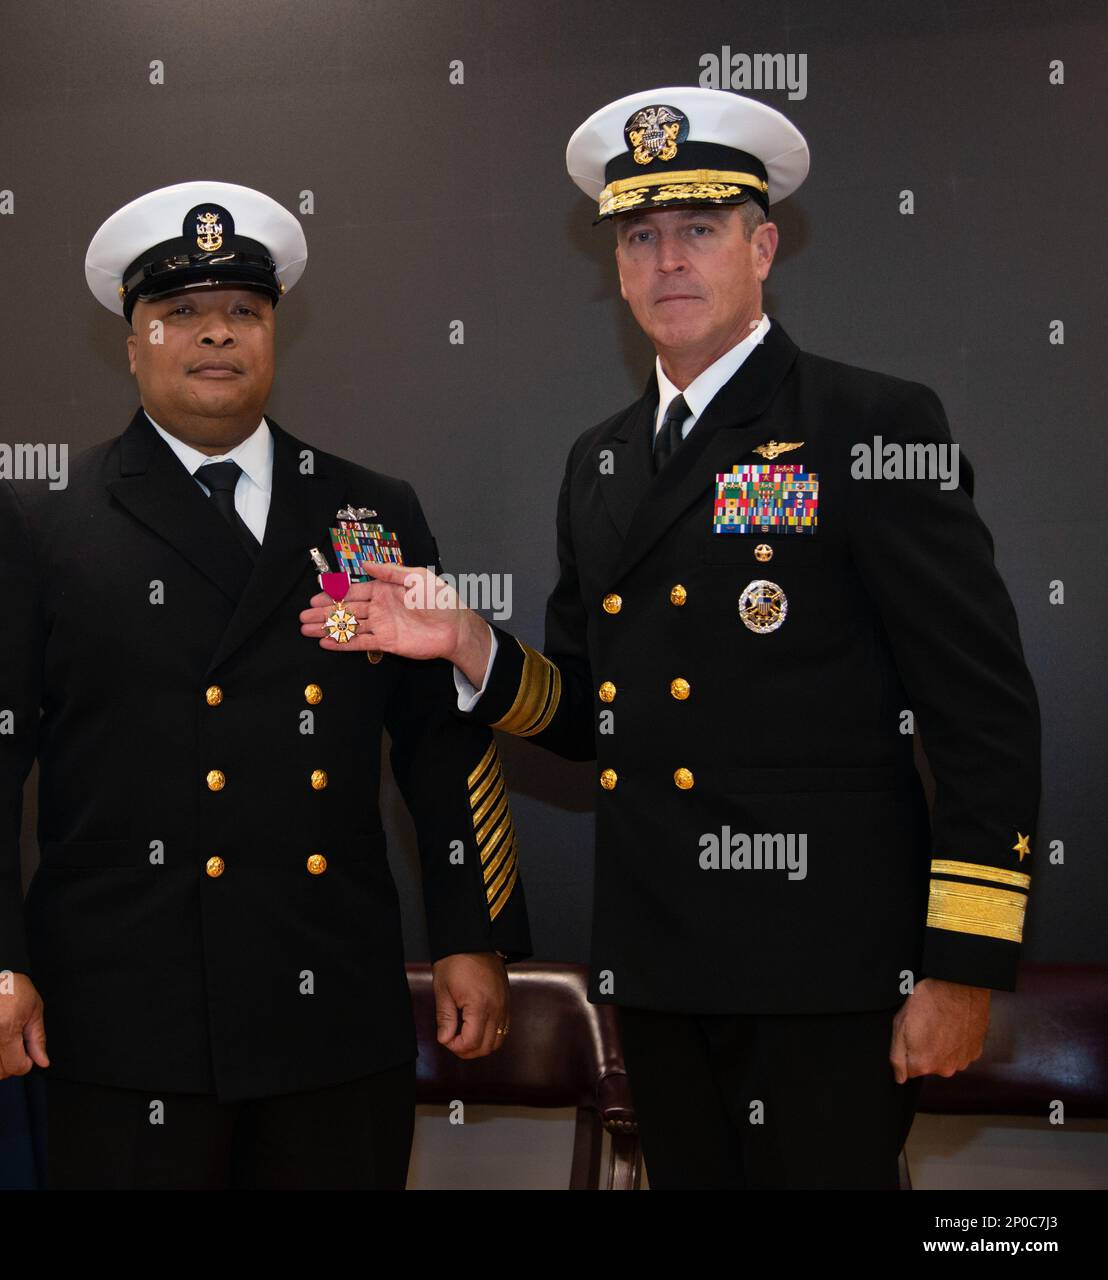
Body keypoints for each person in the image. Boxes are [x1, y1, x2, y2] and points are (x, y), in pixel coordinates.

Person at [300, 89, 1041, 1189]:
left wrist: (964, 965)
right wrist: (467, 645)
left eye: (698, 229)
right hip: (659, 962)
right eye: (639, 235)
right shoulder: (599, 462)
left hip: (828, 971)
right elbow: (587, 716)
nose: (667, 260)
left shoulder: (870, 425)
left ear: (763, 245)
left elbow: (984, 712)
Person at [0, 180, 531, 1190]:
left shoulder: (371, 508)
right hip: (126, 1017)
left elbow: (439, 737)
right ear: (131, 340)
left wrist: (473, 931)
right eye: (181, 313)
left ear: (274, 332)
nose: (217, 335)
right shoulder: (45, 518)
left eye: (243, 312)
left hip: (329, 1006)